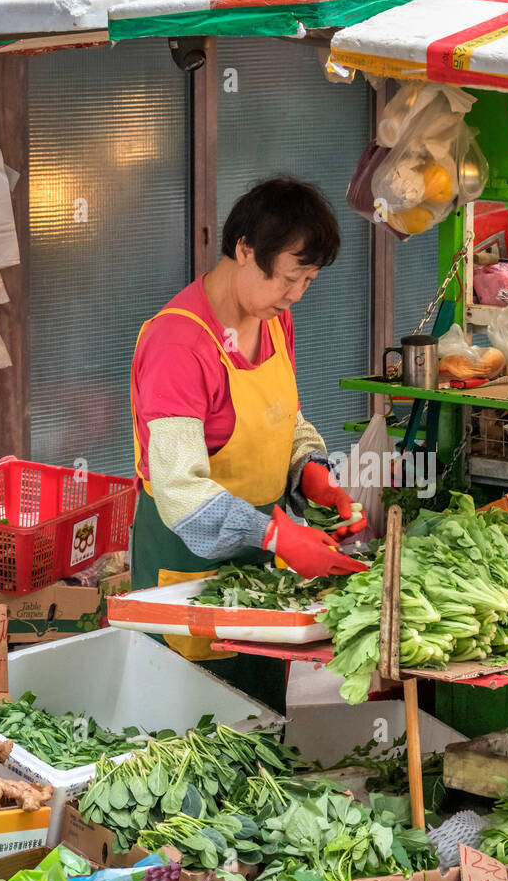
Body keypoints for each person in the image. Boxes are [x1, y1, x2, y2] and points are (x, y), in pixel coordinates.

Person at [130, 177, 365, 705]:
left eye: (309, 280)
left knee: (259, 723)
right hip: (186, 560)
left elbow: (286, 418)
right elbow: (180, 491)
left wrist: (313, 474)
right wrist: (280, 538)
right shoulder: (178, 344)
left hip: (261, 556)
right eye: (288, 278)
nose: (296, 295)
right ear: (244, 250)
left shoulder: (274, 321)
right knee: (190, 728)